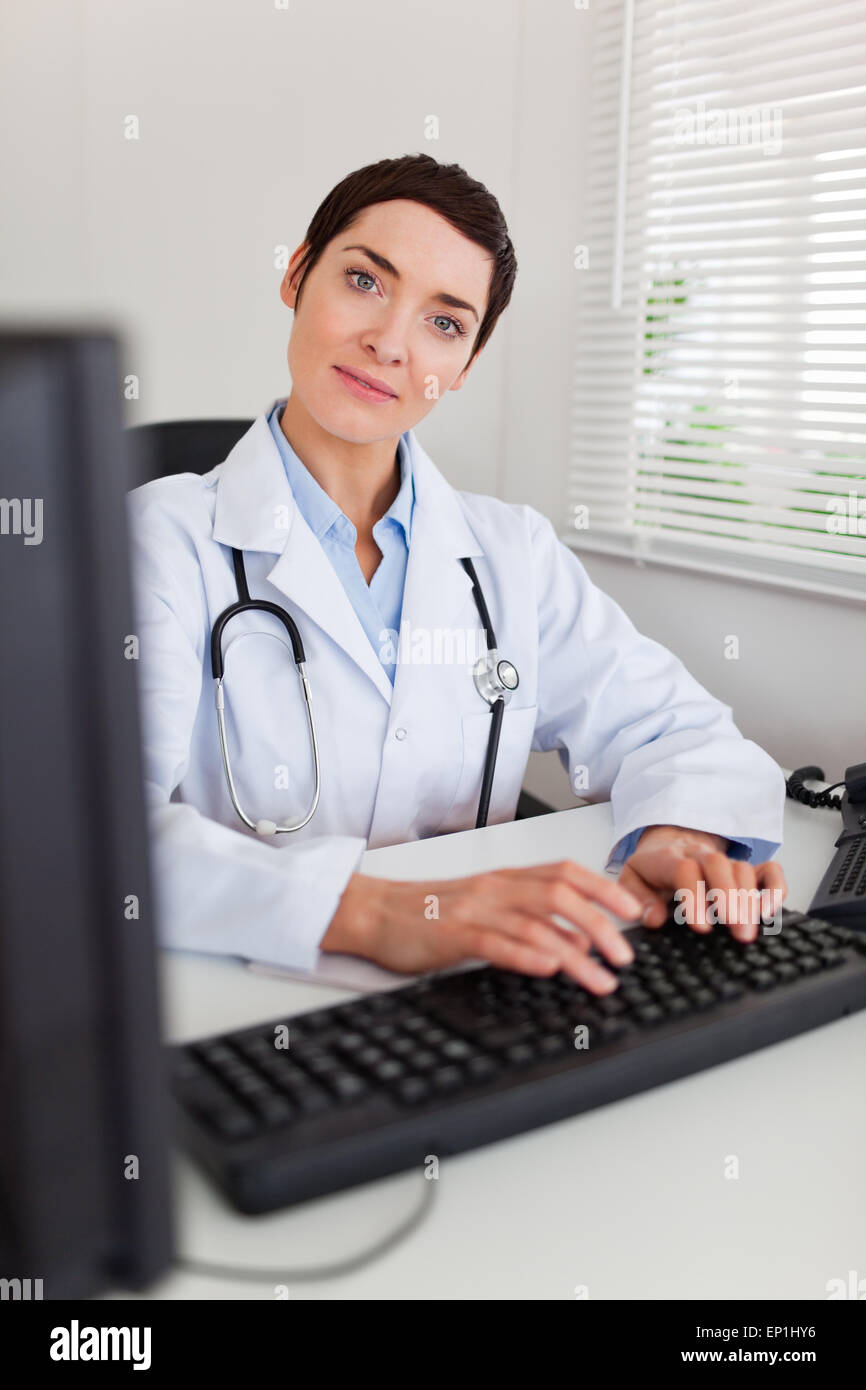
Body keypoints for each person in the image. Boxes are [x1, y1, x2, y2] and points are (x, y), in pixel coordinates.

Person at [127, 153, 788, 996]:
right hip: (236, 998)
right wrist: (371, 913)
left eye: (444, 323)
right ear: (297, 274)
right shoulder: (157, 540)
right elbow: (84, 834)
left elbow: (672, 729)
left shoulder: (512, 553)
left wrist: (679, 832)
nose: (390, 343)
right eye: (365, 280)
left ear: (467, 362)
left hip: (478, 995)